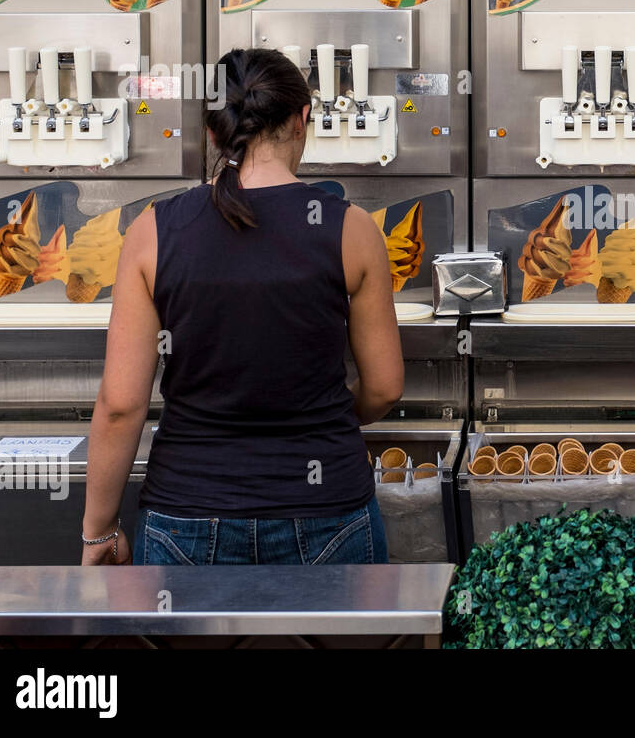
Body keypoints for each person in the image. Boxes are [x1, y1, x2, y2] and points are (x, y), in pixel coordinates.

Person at [81, 48, 404, 565]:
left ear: (214, 133)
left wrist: (99, 529)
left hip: (185, 513)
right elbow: (385, 387)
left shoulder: (153, 232)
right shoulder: (352, 230)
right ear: (302, 120)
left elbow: (121, 407)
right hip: (327, 509)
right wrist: (327, 420)